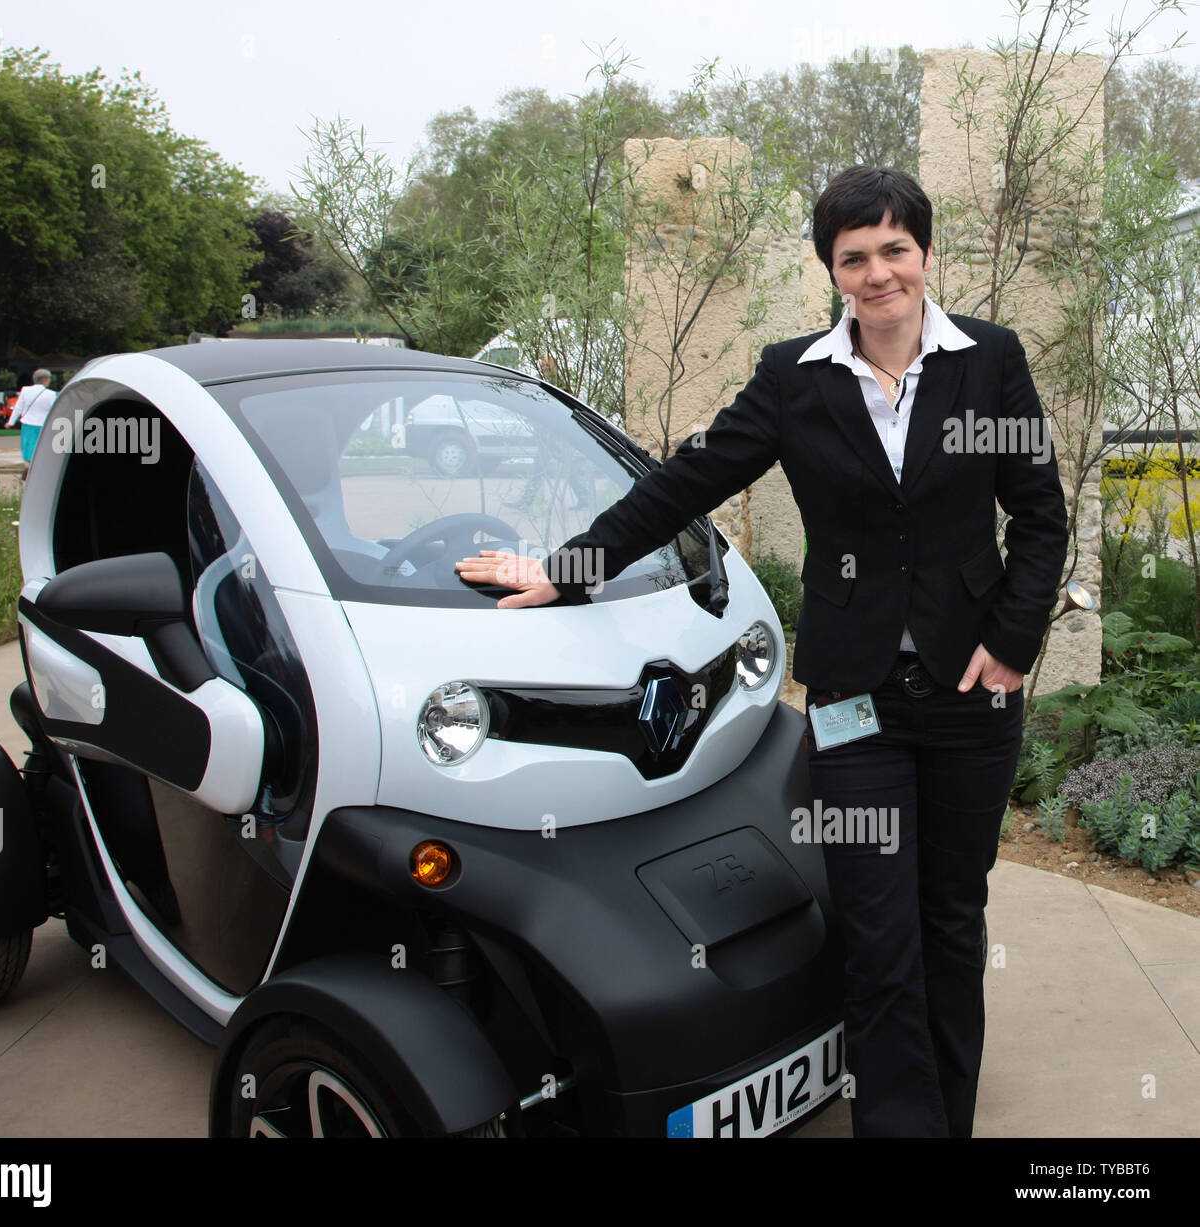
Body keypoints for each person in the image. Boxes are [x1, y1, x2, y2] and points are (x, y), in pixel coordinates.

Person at [454, 166, 1069, 1138]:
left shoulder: (987, 361)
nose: (878, 273)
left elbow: (1038, 512)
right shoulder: (795, 378)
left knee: (951, 921)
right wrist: (569, 569)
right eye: (854, 257)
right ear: (832, 269)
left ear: (926, 252)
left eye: (894, 250)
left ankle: (944, 1117)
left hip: (971, 696)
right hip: (855, 702)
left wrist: (1011, 643)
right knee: (878, 930)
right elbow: (686, 482)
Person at [6, 368, 55, 477]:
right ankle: (39, 469)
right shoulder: (51, 394)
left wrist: (11, 422)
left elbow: (18, 407)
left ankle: (27, 466)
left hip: (28, 423)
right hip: (44, 425)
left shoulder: (25, 390)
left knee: (27, 445)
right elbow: (55, 410)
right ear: (45, 379)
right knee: (42, 446)